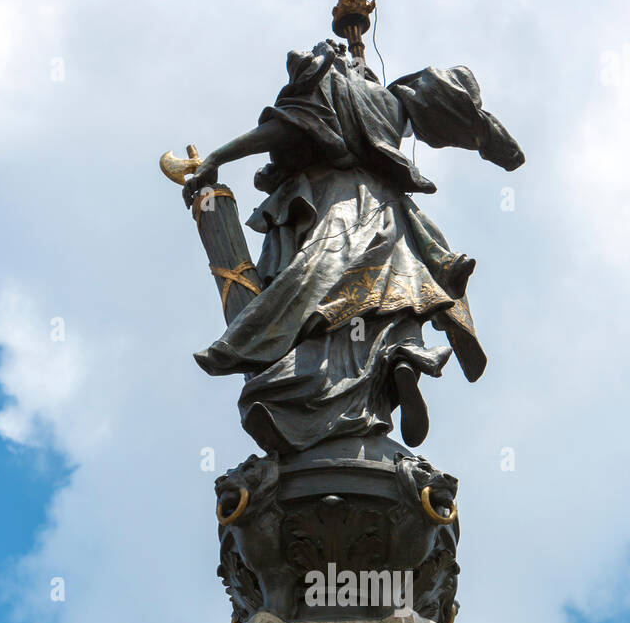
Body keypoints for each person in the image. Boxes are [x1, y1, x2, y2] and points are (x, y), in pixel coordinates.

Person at [184, 39, 524, 455]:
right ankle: (403, 359)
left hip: (336, 211)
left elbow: (283, 129)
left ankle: (307, 400)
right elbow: (443, 111)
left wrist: (216, 158)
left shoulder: (328, 85)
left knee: (314, 310)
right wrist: (488, 135)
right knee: (390, 298)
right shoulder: (388, 103)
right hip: (388, 216)